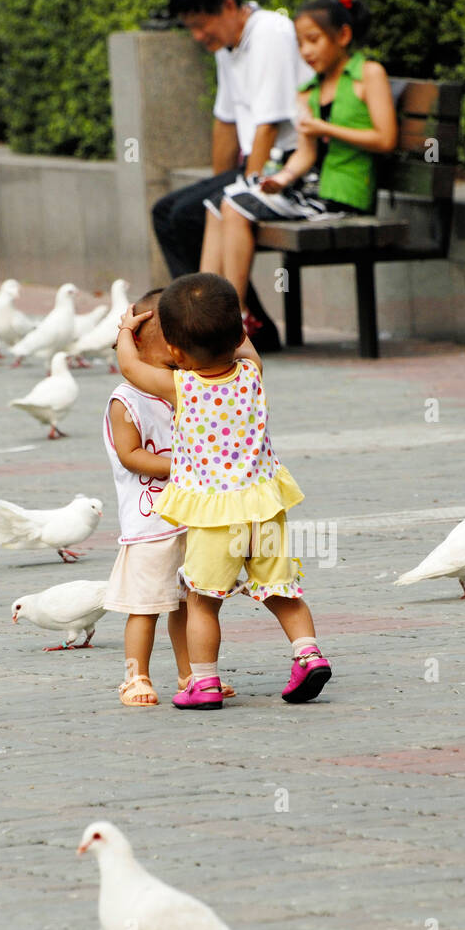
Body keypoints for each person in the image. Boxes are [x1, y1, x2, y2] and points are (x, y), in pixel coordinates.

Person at [115, 272, 332, 710]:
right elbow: (244, 346)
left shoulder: (184, 387)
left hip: (214, 519)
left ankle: (204, 682)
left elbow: (129, 368)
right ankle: (308, 653)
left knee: (201, 601)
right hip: (264, 508)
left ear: (174, 351)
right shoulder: (253, 373)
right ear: (238, 334)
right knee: (281, 590)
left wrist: (125, 329)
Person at [152, 0, 311, 352]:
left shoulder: (270, 32)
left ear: (229, 6)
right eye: (190, 26)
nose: (197, 35)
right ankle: (208, 325)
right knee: (168, 211)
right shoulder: (228, 44)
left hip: (290, 166)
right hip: (259, 162)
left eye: (201, 23)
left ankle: (216, 329)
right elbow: (225, 121)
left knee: (189, 213)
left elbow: (268, 125)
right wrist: (216, 186)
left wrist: (239, 191)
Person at [206, 0, 397, 311]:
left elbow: (385, 138)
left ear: (343, 37)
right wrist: (280, 179)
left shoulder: (368, 74)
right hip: (309, 191)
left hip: (342, 198)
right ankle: (205, 314)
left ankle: (233, 317)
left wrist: (327, 129)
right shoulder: (310, 89)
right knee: (219, 204)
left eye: (313, 40)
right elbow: (306, 154)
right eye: (300, 43)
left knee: (236, 208)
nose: (305, 51)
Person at [103, 289, 235, 707]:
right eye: (170, 330)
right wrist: (187, 462)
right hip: (149, 527)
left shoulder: (182, 386)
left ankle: (191, 675)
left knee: (187, 603)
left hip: (188, 519)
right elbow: (131, 455)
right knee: (145, 607)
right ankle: (135, 676)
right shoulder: (126, 400)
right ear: (138, 339)